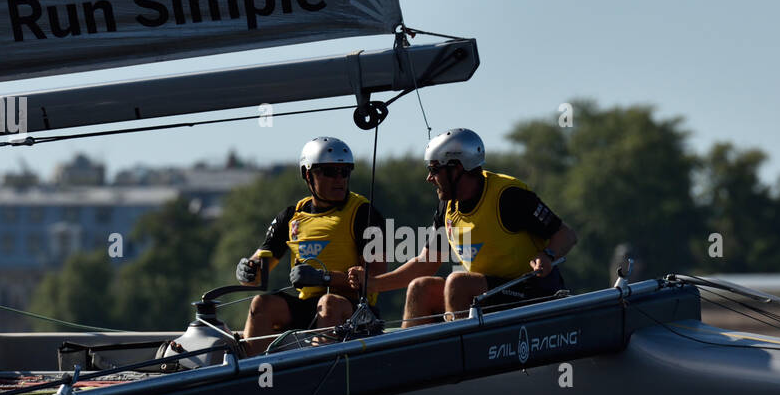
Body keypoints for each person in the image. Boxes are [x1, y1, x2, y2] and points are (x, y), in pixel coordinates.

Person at [348, 128, 577, 326]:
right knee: (420, 288)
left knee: (458, 283)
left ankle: (461, 358)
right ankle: (418, 367)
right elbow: (425, 263)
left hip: (531, 294)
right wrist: (375, 283)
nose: (429, 178)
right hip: (486, 295)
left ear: (456, 168)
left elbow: (566, 234)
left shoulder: (508, 196)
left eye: (434, 169)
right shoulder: (446, 205)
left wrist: (547, 255)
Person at [235, 137, 385, 351]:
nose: (339, 179)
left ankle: (318, 371)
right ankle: (257, 375)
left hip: (356, 310)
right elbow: (259, 269)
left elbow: (377, 278)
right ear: (308, 175)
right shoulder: (291, 216)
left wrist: (323, 277)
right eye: (330, 172)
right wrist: (247, 270)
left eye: (344, 172)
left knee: (329, 303)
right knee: (261, 304)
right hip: (309, 307)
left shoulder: (364, 213)